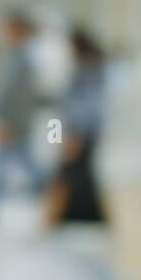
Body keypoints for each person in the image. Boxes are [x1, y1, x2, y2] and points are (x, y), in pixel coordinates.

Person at [0, 10, 47, 230]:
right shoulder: (14, 55)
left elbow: (12, 93)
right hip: (13, 125)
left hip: (13, 125)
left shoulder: (23, 57)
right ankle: (51, 198)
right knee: (25, 168)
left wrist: (3, 121)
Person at [44, 27, 107, 225]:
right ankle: (80, 215)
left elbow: (85, 105)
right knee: (80, 176)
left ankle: (62, 216)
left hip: (79, 133)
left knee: (70, 175)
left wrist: (76, 135)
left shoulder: (87, 71)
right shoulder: (86, 68)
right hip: (79, 131)